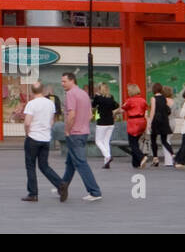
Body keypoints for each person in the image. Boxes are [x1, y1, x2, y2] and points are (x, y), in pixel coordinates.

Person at [58, 72, 103, 202]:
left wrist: (67, 130)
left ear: (72, 81)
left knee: (81, 163)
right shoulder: (84, 94)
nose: (62, 84)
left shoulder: (71, 94)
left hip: (74, 133)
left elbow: (71, 115)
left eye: (64, 81)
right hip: (83, 132)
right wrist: (83, 125)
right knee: (70, 163)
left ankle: (95, 191)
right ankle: (62, 186)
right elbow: (90, 115)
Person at [20, 82, 65, 201]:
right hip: (45, 139)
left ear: (32, 91)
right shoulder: (50, 104)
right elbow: (52, 120)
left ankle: (33, 193)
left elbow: (27, 122)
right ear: (42, 90)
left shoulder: (31, 104)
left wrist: (27, 133)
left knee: (30, 166)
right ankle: (60, 184)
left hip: (33, 137)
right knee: (44, 165)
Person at [121, 84, 150, 168]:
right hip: (142, 121)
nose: (128, 92)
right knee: (136, 142)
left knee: (132, 143)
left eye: (128, 90)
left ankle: (141, 157)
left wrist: (114, 112)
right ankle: (136, 163)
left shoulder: (130, 100)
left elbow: (123, 109)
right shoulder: (143, 100)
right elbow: (146, 111)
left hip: (133, 122)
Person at [91, 84, 118, 168]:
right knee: (106, 141)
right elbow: (116, 106)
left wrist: (97, 97)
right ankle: (106, 163)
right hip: (110, 122)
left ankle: (108, 156)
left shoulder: (98, 98)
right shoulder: (111, 97)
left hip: (102, 122)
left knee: (98, 141)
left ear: (100, 89)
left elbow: (93, 105)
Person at [148, 83, 174, 167]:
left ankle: (155, 159)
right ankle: (173, 154)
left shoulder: (153, 98)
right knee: (164, 140)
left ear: (154, 89)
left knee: (153, 140)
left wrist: (150, 122)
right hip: (164, 121)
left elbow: (153, 111)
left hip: (156, 121)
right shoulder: (164, 98)